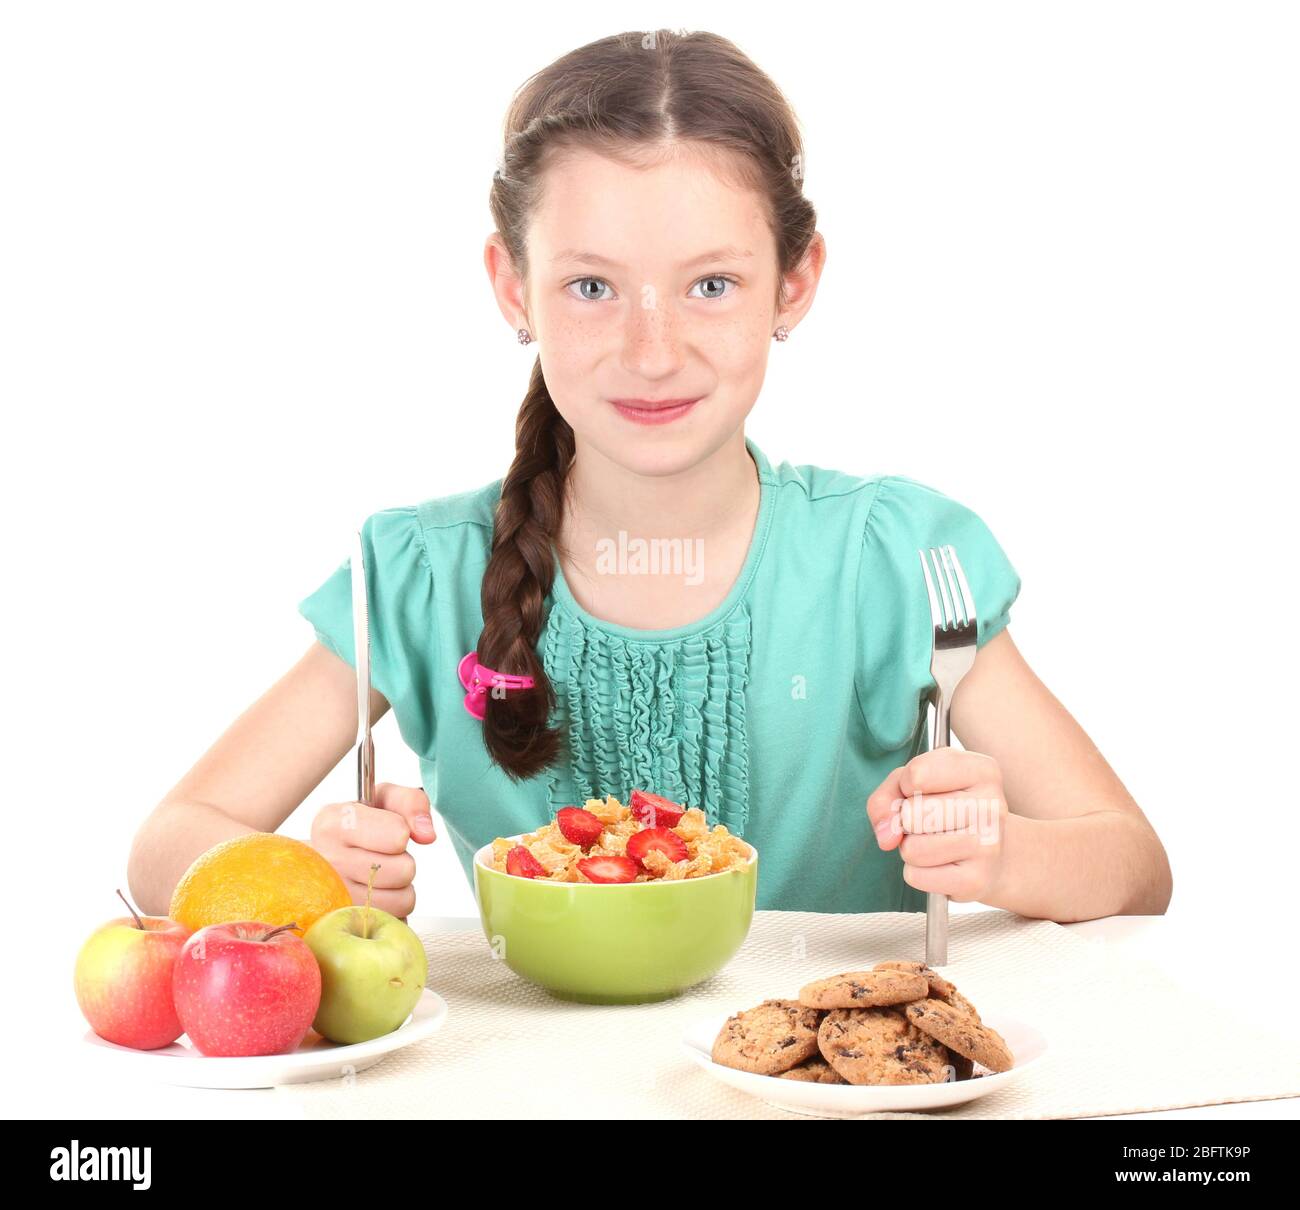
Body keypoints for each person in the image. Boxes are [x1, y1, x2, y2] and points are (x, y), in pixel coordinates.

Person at [128, 29, 1171, 922]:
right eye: (591, 286)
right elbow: (168, 843)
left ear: (794, 283)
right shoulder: (417, 573)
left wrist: (1004, 857)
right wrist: (312, 876)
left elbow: (1131, 862)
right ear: (512, 287)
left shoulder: (895, 555)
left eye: (710, 283)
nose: (653, 349)